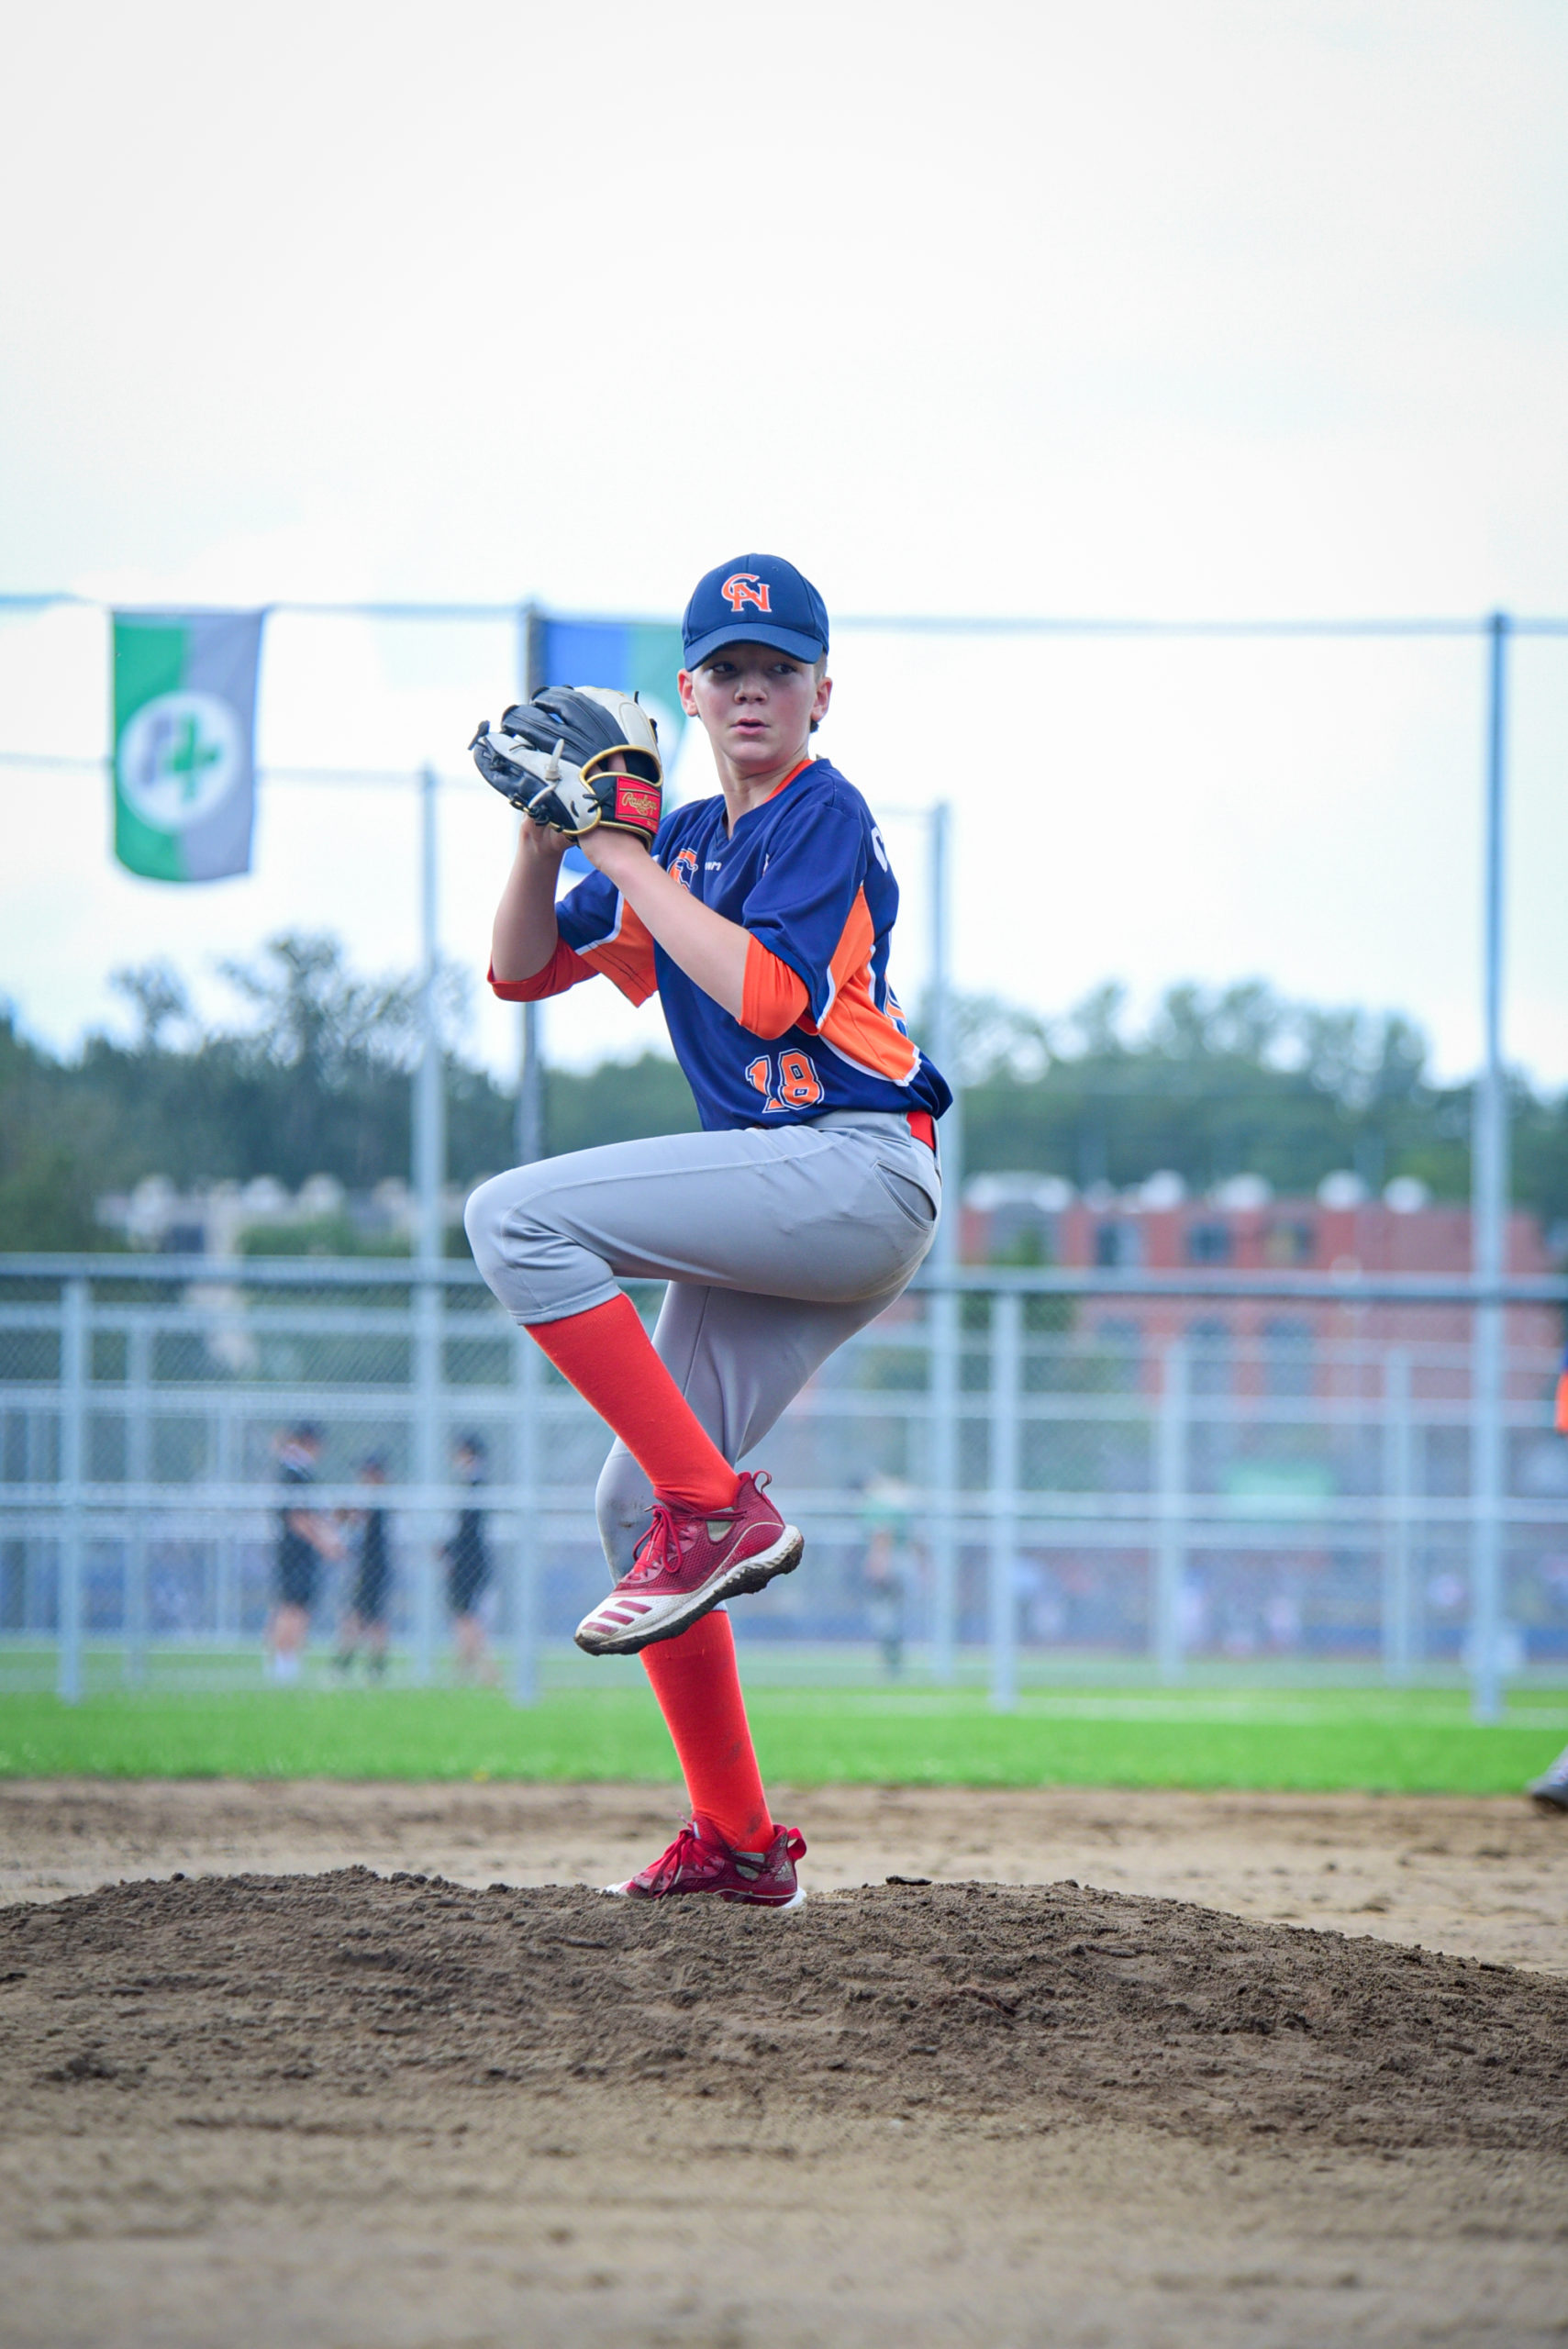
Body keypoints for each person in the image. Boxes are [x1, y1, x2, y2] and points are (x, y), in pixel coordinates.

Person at [465, 553, 950, 1909]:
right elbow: (516, 971)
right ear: (688, 690)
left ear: (821, 695)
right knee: (630, 1500)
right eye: (728, 669)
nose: (753, 690)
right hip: (784, 1196)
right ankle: (739, 1843)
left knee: (517, 1219)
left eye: (778, 670)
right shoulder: (676, 845)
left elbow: (769, 997)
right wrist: (545, 838)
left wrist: (618, 852)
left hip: (855, 1170)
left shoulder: (822, 814)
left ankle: (720, 1510)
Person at [266, 1422, 343, 1684]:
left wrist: (329, 1533)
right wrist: (324, 1543)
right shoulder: (293, 1473)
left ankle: (287, 1663)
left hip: (301, 1552)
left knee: (298, 1605)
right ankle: (283, 1665)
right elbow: (299, 1518)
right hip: (296, 1551)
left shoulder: (300, 1471)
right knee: (292, 1606)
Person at [441, 1432, 497, 1684]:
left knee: (467, 1617)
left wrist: (451, 1551)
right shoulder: (471, 1486)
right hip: (467, 1561)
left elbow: (468, 1532)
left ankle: (485, 1671)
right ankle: (467, 1670)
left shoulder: (476, 1487)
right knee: (464, 1617)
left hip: (468, 1563)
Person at [333, 1452, 394, 1681]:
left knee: (364, 1618)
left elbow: (351, 1515)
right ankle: (364, 1667)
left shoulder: (377, 1500)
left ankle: (353, 1666)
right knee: (360, 1617)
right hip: (366, 1567)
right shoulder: (367, 1499)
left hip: (373, 1569)